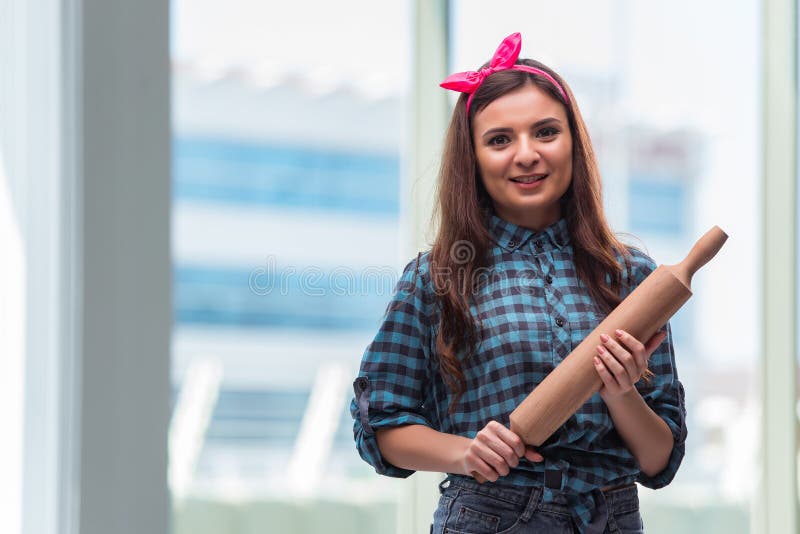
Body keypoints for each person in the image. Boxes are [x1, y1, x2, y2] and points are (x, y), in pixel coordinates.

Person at [350, 32, 686, 534]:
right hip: (491, 516)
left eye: (546, 132)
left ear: (574, 142)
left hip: (614, 517)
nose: (526, 155)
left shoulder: (632, 277)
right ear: (474, 159)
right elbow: (379, 426)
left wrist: (621, 392)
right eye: (500, 139)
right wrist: (467, 452)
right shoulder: (439, 276)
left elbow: (660, 460)